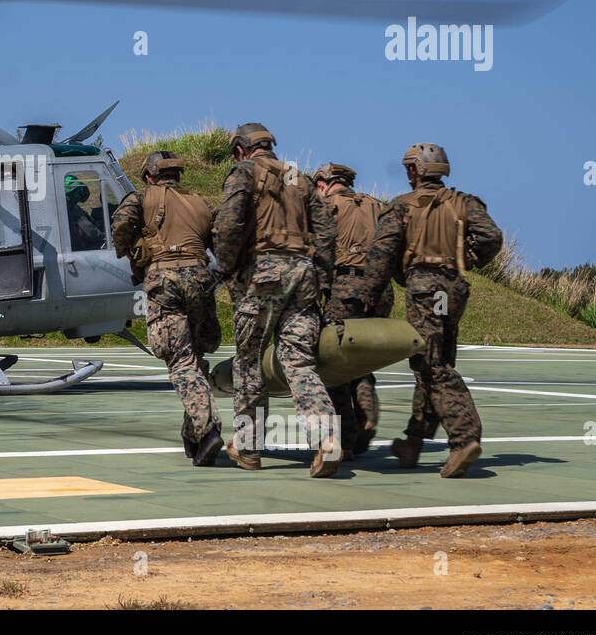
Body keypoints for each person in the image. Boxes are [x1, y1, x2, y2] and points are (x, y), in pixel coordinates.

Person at [355, 144, 502, 478]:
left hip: (425, 288)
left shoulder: (402, 206)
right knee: (433, 364)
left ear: (415, 170)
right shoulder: (465, 203)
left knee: (431, 365)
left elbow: (381, 255)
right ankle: (413, 442)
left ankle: (464, 438)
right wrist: (470, 259)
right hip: (453, 288)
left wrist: (367, 296)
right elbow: (491, 236)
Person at [213, 123, 341, 477]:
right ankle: (328, 438)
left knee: (249, 360)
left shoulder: (243, 173)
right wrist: (323, 275)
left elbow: (229, 224)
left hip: (262, 277)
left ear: (241, 150)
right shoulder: (298, 178)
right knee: (298, 362)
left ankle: (248, 447)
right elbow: (327, 230)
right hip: (303, 277)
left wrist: (224, 267)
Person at [112, 150, 224, 467]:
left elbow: (120, 226)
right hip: (201, 282)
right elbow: (223, 241)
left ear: (149, 176)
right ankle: (194, 435)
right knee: (195, 359)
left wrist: (135, 254)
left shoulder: (140, 198)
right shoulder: (202, 203)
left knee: (181, 361)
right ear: (178, 175)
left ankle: (207, 429)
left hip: (164, 282)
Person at [313, 162, 394, 456]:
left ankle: (345, 437)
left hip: (345, 288)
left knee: (334, 364)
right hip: (380, 290)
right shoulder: (377, 206)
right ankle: (368, 414)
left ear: (323, 183)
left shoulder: (325, 207)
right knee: (363, 359)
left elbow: (318, 249)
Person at [63, 173, 107, 250]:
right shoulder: (71, 210)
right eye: (77, 191)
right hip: (80, 248)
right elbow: (91, 233)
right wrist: (105, 236)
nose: (80, 194)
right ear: (70, 194)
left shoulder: (71, 206)